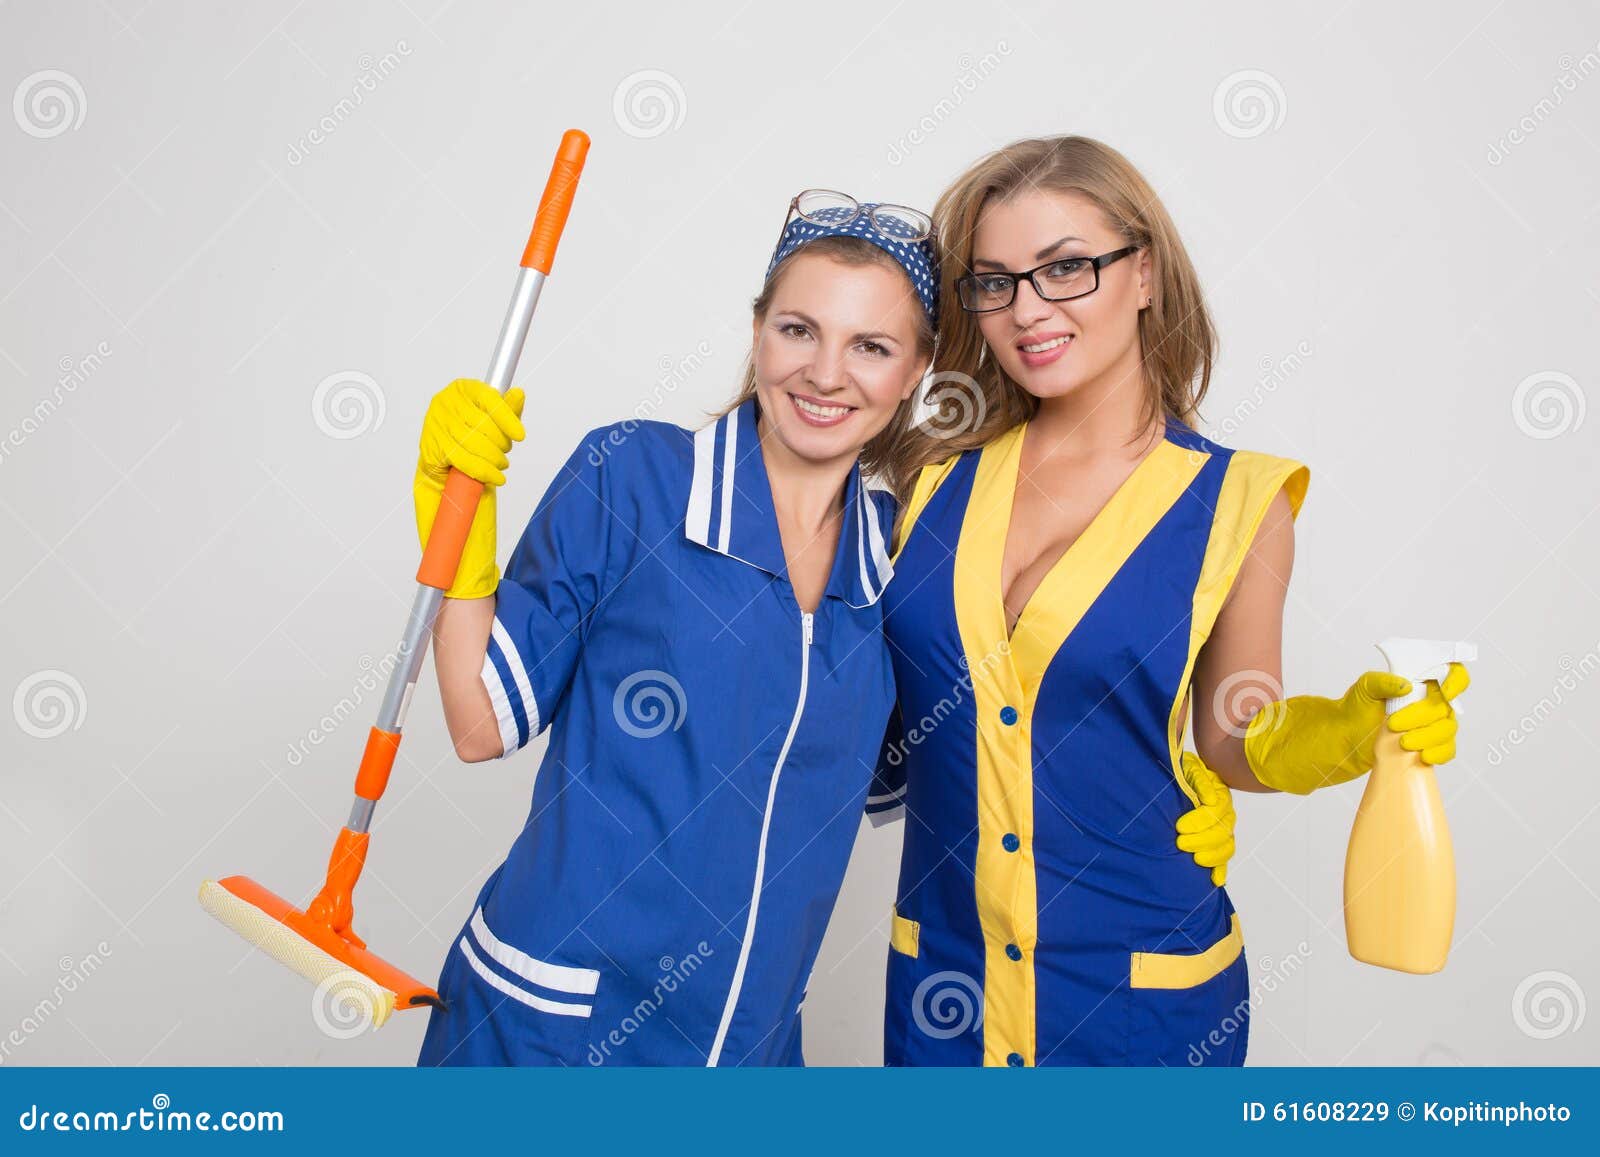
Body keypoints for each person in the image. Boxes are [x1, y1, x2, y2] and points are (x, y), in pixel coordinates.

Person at [867, 135, 1468, 1066]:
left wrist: (1350, 732)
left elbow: (1234, 735)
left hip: (1144, 1002)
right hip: (950, 991)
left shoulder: (1238, 503)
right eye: (995, 281)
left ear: (1144, 272)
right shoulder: (925, 482)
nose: (1029, 310)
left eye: (1066, 268)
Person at [411, 190, 939, 1065]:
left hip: (748, 1047)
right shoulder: (636, 477)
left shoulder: (901, 554)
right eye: (798, 329)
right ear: (759, 328)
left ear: (917, 370)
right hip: (549, 1028)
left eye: (871, 347)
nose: (825, 372)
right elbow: (477, 721)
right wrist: (455, 519)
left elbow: (937, 775)